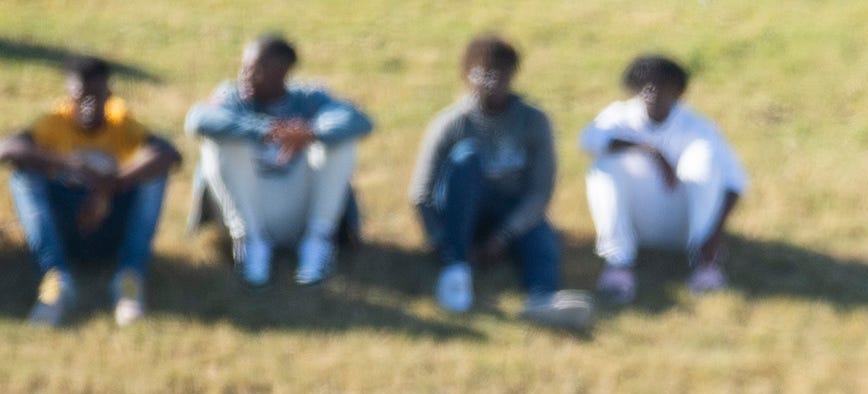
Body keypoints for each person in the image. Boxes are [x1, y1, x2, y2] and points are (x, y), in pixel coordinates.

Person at [183, 36, 372, 287]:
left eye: (257, 69)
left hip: (296, 208)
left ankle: (318, 242)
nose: (246, 76)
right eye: (244, 67)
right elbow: (198, 120)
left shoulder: (307, 98)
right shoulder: (232, 96)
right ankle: (251, 245)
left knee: (340, 142)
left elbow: (358, 120)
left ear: (282, 72)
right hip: (248, 209)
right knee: (219, 141)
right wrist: (266, 131)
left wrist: (310, 132)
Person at [407, 36, 572, 322]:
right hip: (462, 214)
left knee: (543, 237)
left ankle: (541, 299)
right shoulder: (452, 122)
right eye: (481, 73)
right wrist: (440, 240)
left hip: (510, 213)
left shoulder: (534, 121)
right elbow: (421, 192)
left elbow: (540, 192)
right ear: (466, 75)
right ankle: (456, 271)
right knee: (466, 157)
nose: (490, 81)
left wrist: (503, 236)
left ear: (513, 74)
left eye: (500, 73)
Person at [6, 55, 177, 328]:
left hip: (111, 224)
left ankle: (129, 279)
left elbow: (168, 153)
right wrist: (71, 164)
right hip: (66, 224)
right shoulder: (53, 122)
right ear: (67, 96)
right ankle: (55, 278)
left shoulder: (121, 122)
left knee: (154, 176)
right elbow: (8, 149)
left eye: (97, 96)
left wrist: (112, 184)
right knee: (23, 176)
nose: (89, 105)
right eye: (80, 96)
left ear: (108, 94)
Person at [578, 55, 746, 303]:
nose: (652, 92)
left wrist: (714, 233)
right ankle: (618, 264)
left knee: (705, 158)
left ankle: (706, 265)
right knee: (605, 163)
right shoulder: (618, 116)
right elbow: (589, 140)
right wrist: (651, 151)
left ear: (677, 91)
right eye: (646, 85)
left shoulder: (698, 126)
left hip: (686, 230)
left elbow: (735, 182)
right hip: (637, 225)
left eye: (661, 85)